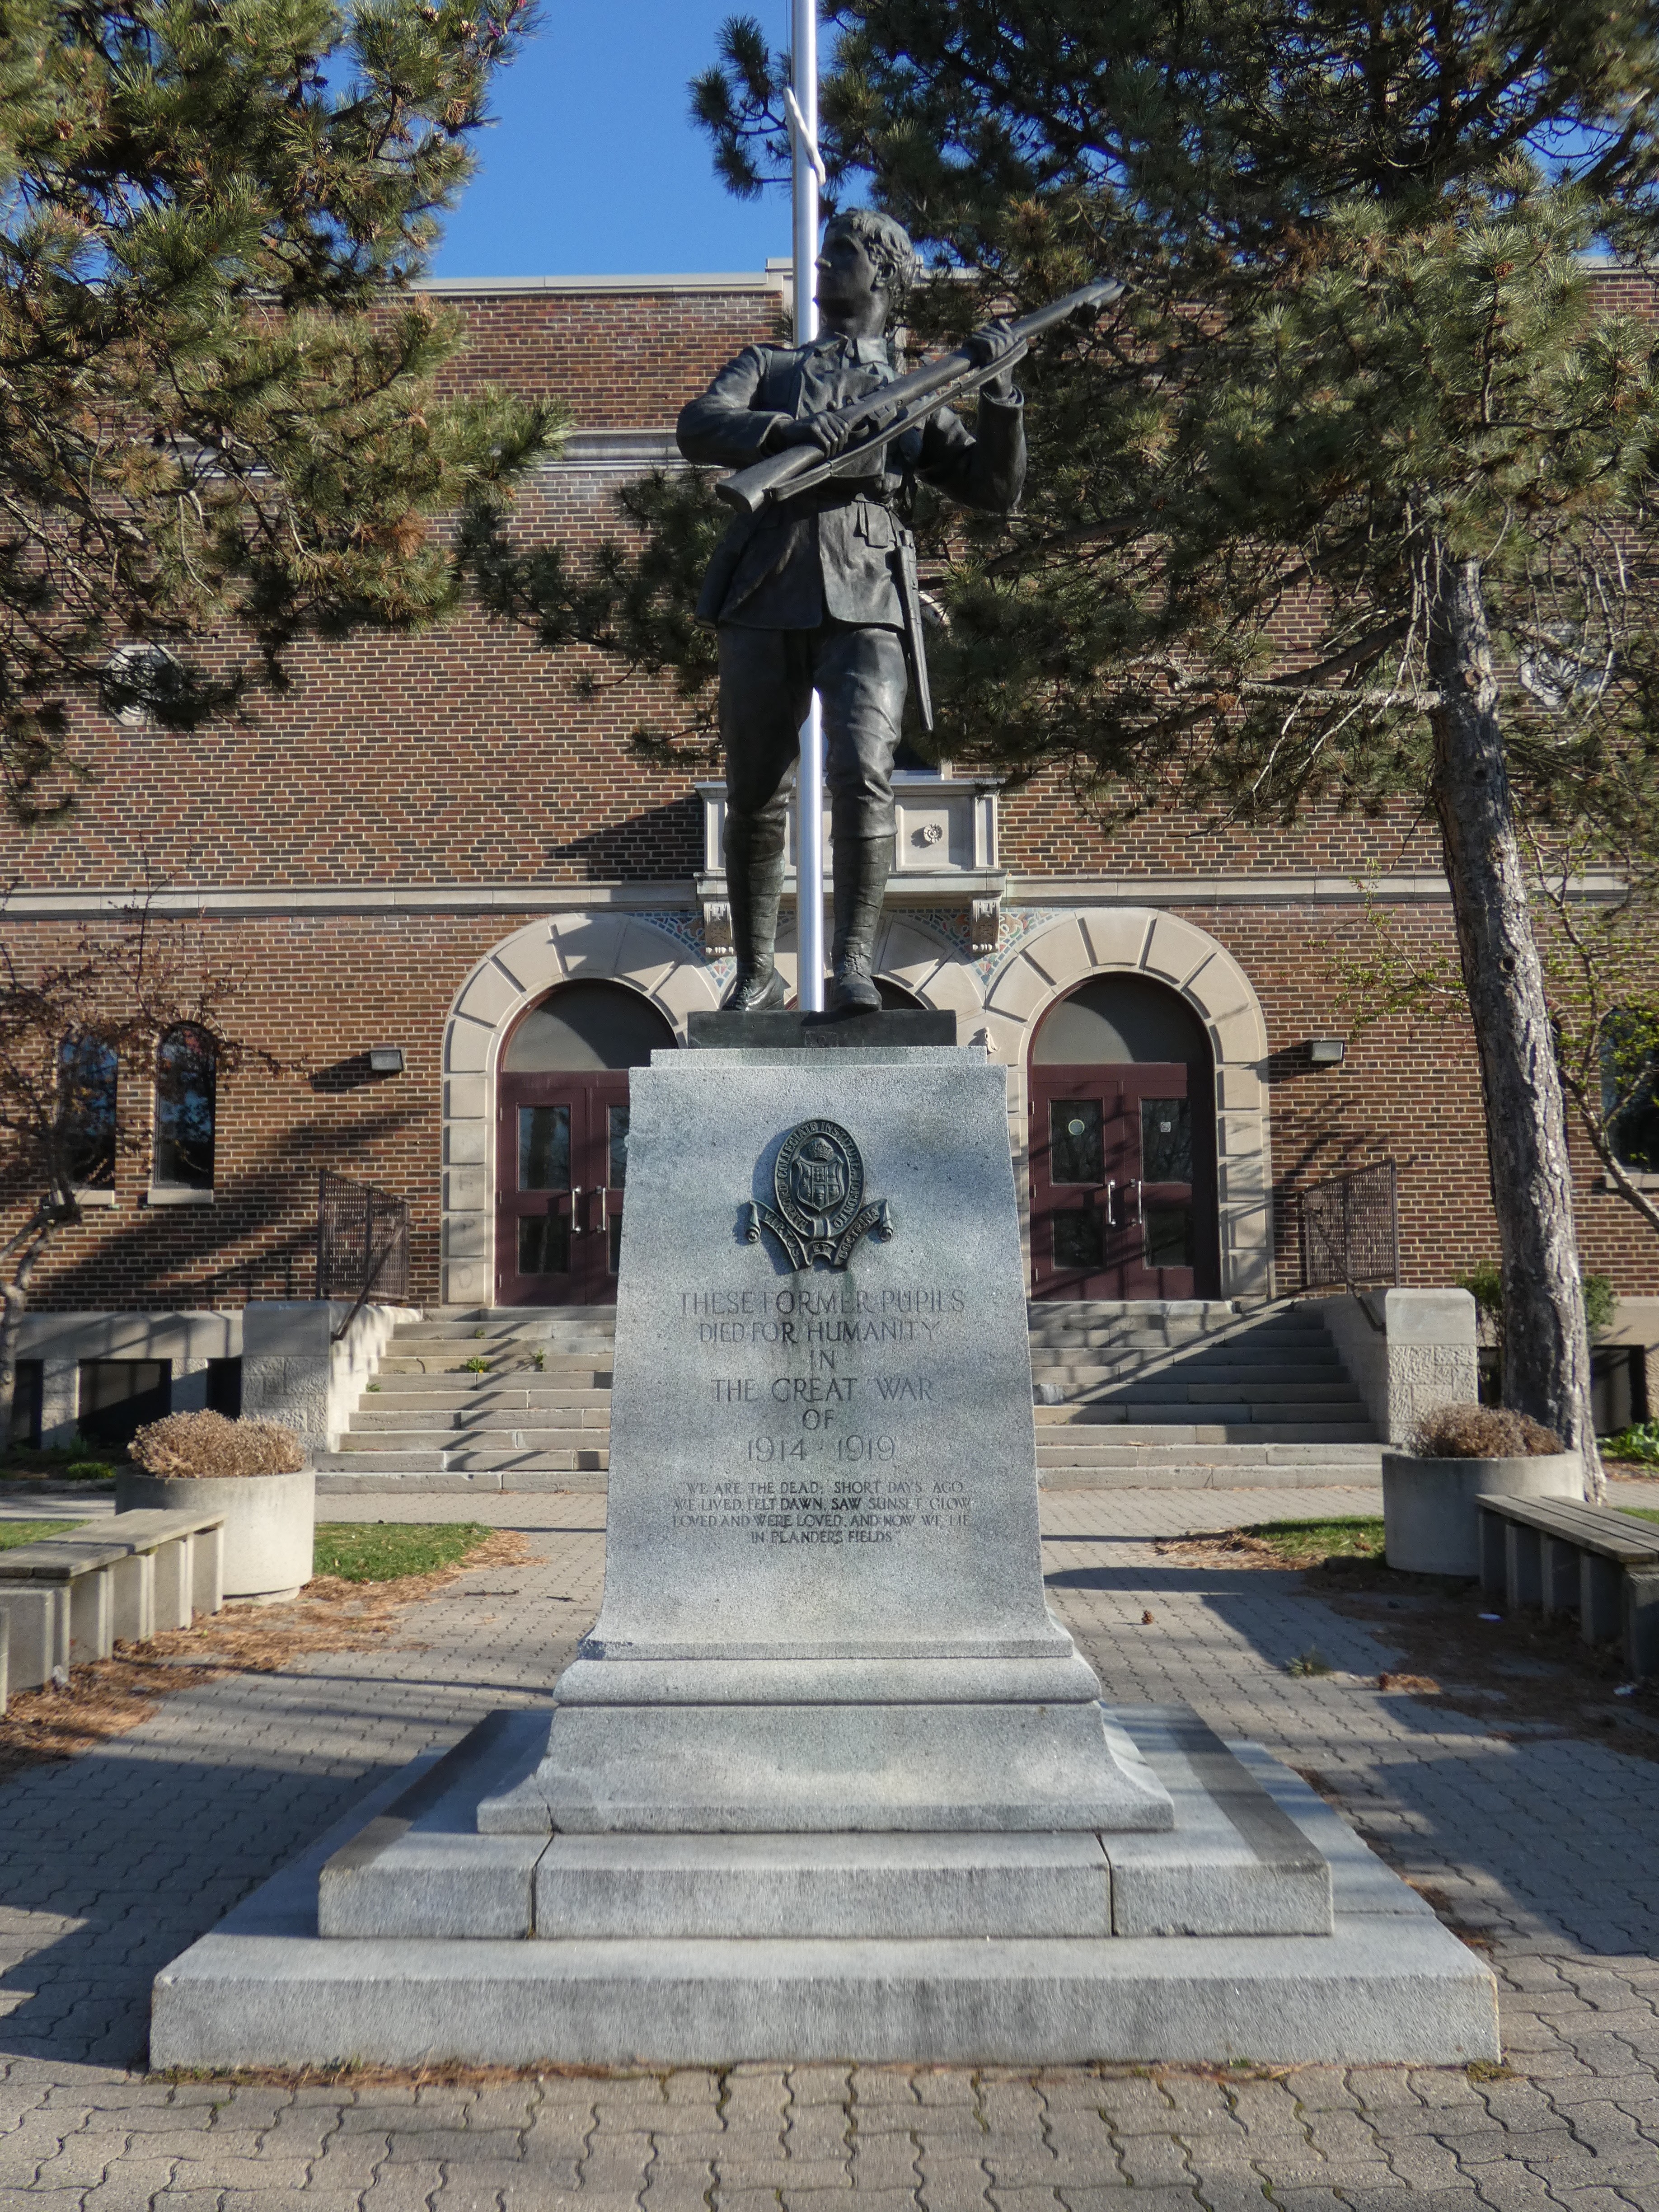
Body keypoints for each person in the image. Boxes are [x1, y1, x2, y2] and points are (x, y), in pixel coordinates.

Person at [677, 209, 1026, 1012]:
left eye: (839, 256)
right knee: (758, 783)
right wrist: (792, 430)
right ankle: (756, 971)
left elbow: (993, 490)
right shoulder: (770, 365)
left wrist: (1001, 392)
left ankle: (855, 966)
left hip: (870, 590)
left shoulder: (913, 396)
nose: (822, 265)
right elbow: (699, 424)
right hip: (767, 584)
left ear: (883, 278)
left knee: (864, 773)